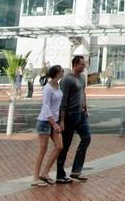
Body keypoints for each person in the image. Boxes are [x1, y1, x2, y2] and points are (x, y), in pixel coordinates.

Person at [55, 55, 91, 183]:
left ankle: (76, 170)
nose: (84, 66)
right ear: (75, 65)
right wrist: (62, 120)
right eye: (82, 64)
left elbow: (83, 93)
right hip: (70, 115)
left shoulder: (82, 77)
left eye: (84, 64)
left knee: (86, 138)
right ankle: (60, 174)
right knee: (65, 144)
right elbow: (63, 101)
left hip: (81, 114)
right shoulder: (66, 80)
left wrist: (85, 107)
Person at [31, 65, 64, 187]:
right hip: (45, 121)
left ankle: (45, 173)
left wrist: (59, 121)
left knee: (59, 146)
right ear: (56, 73)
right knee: (42, 150)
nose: (63, 72)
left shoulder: (58, 86)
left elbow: (58, 105)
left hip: (54, 120)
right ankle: (35, 178)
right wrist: (54, 123)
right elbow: (46, 106)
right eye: (61, 71)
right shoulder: (48, 88)